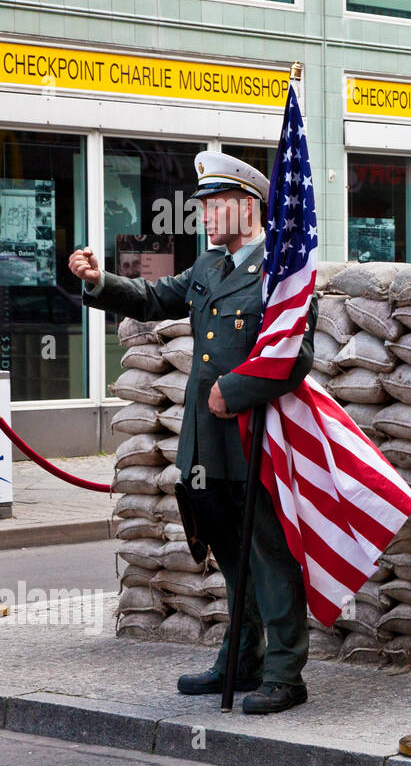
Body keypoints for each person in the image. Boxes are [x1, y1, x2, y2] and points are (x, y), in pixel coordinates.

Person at [68, 151, 318, 715]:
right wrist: (98, 281)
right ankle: (240, 660)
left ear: (248, 207)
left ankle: (285, 674)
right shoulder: (208, 267)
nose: (203, 214)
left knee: (269, 554)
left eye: (214, 204)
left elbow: (295, 355)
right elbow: (155, 300)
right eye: (202, 204)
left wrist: (238, 389)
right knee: (231, 554)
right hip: (206, 439)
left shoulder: (283, 272)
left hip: (256, 435)